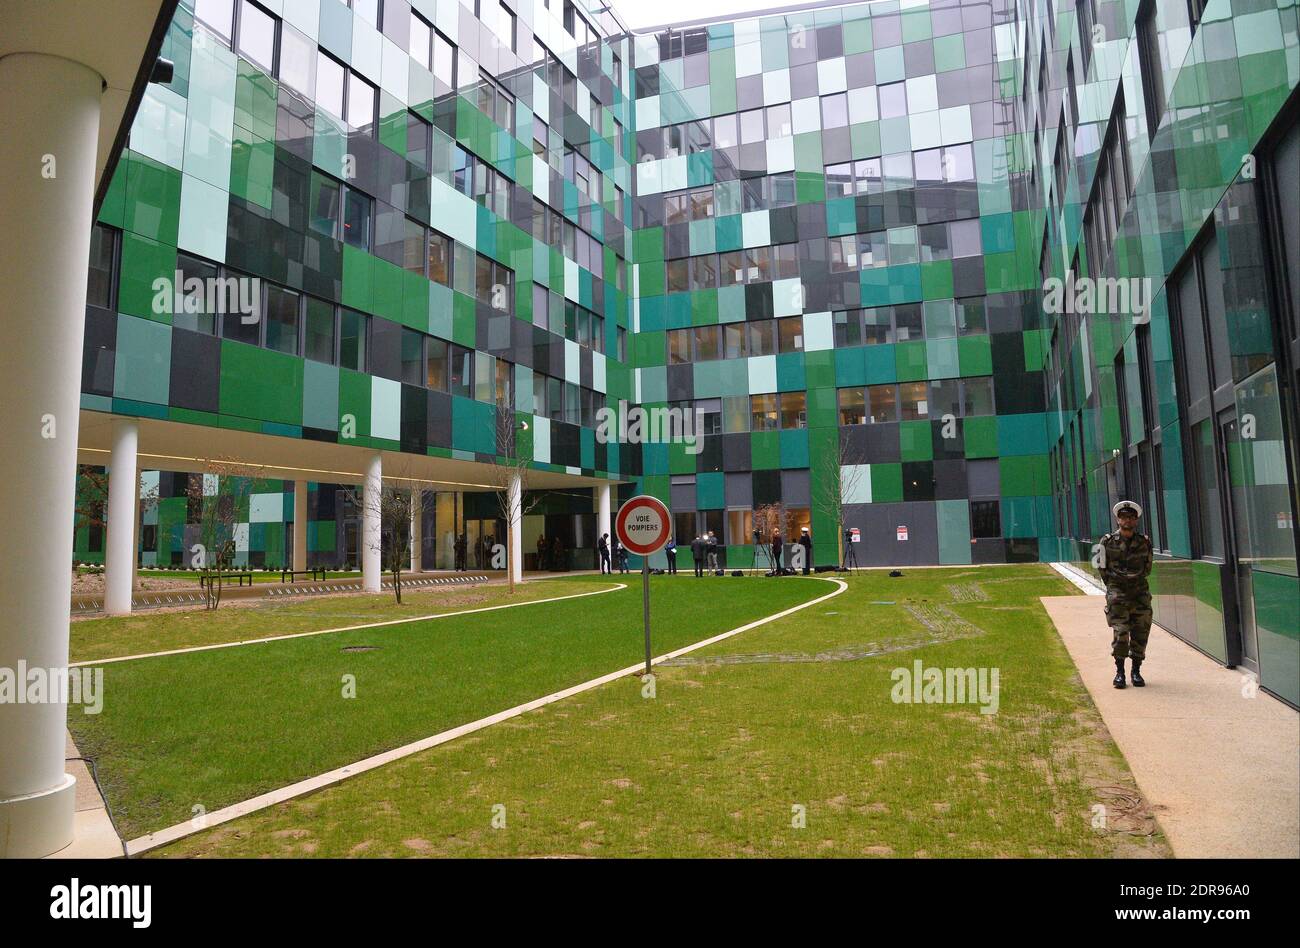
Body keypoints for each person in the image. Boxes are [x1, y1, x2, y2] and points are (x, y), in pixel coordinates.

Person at [1100, 500, 1154, 689]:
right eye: (1123, 517)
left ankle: (1136, 670)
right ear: (1117, 519)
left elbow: (1147, 568)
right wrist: (1114, 587)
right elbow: (1102, 568)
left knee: (1141, 633)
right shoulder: (1107, 542)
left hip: (1140, 593)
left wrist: (1135, 582)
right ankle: (1120, 672)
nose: (1127, 521)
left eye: (1131, 518)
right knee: (1121, 633)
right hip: (1118, 593)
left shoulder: (1144, 542)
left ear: (1136, 520)